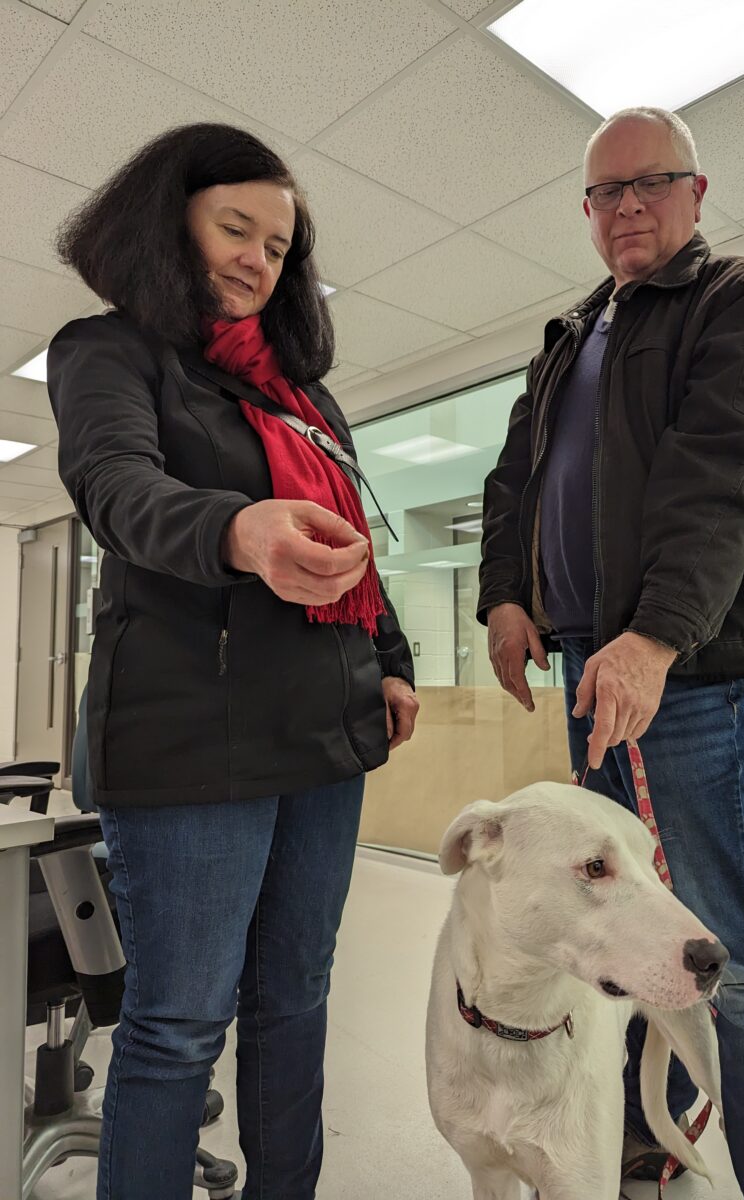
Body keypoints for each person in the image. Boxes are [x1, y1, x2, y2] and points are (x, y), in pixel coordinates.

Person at [48, 122, 419, 1200]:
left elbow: (358, 548)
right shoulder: (107, 352)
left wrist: (388, 658)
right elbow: (120, 492)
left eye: (278, 243)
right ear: (169, 223)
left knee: (296, 994)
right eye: (234, 227)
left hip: (323, 730)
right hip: (190, 739)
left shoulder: (307, 397)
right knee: (179, 1021)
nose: (258, 257)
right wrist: (240, 531)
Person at [478, 107, 744, 1199]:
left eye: (652, 183)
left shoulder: (738, 300)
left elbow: (728, 471)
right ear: (586, 212)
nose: (627, 205)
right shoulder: (569, 338)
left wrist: (656, 636)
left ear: (696, 192)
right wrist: (504, 597)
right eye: (605, 192)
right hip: (590, 670)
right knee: (620, 939)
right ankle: (647, 1131)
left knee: (739, 964)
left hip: (666, 677)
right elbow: (511, 486)